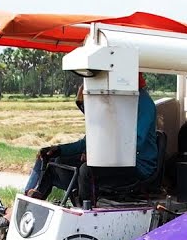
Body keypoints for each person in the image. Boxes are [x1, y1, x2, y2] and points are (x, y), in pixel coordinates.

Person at [23, 74, 159, 200]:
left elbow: (136, 142)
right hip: (117, 160)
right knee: (56, 162)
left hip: (138, 167)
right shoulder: (118, 103)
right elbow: (89, 141)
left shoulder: (145, 104)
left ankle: (85, 210)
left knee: (86, 170)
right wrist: (59, 149)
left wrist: (99, 156)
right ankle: (34, 201)